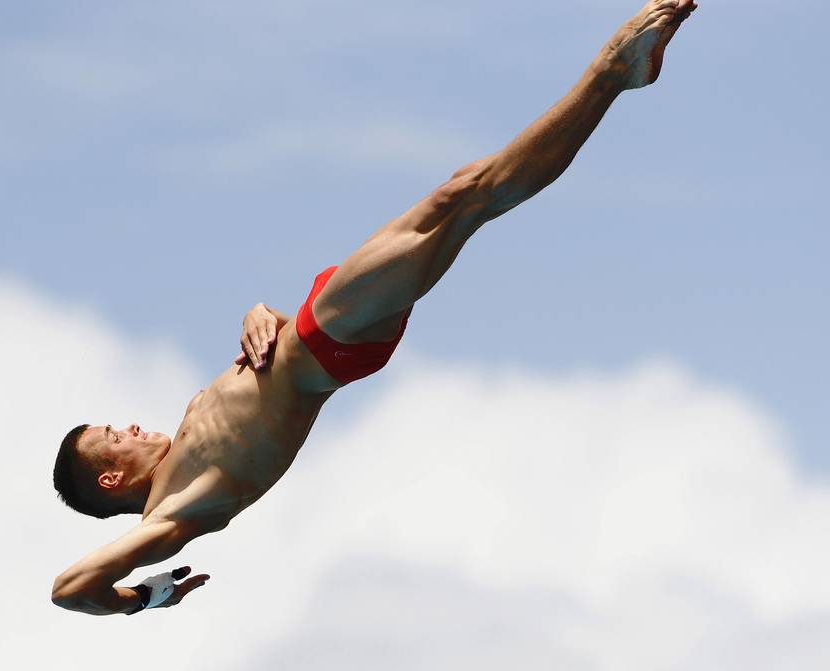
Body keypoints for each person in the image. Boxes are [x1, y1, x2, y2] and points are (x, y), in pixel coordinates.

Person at [51, 0, 698, 615]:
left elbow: (261, 386)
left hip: (319, 318)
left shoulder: (190, 431)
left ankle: (615, 75)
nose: (129, 427)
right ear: (111, 480)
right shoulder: (172, 514)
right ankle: (612, 71)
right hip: (332, 339)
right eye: (114, 438)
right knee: (473, 197)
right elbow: (70, 588)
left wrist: (260, 309)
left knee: (462, 191)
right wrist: (145, 596)